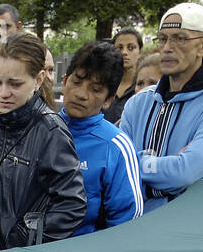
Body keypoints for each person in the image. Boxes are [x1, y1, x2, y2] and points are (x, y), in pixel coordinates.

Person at [120, 3, 203, 210]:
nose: (167, 47)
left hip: (189, 229)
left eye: (180, 38)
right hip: (132, 222)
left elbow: (185, 172)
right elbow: (116, 164)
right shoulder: (139, 102)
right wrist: (170, 164)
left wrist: (135, 162)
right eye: (163, 38)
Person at [0, 31, 87, 246]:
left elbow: (72, 205)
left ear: (38, 80)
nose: (3, 93)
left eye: (15, 84)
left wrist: (22, 239)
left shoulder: (51, 130)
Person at [57, 42, 143, 234]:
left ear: (109, 100)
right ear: (64, 82)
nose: (81, 94)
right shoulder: (39, 129)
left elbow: (127, 224)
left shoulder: (116, 147)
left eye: (95, 89)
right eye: (76, 82)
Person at [104, 28, 144, 123]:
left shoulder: (144, 88)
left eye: (131, 48)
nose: (124, 52)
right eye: (119, 48)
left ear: (140, 52)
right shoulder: (103, 85)